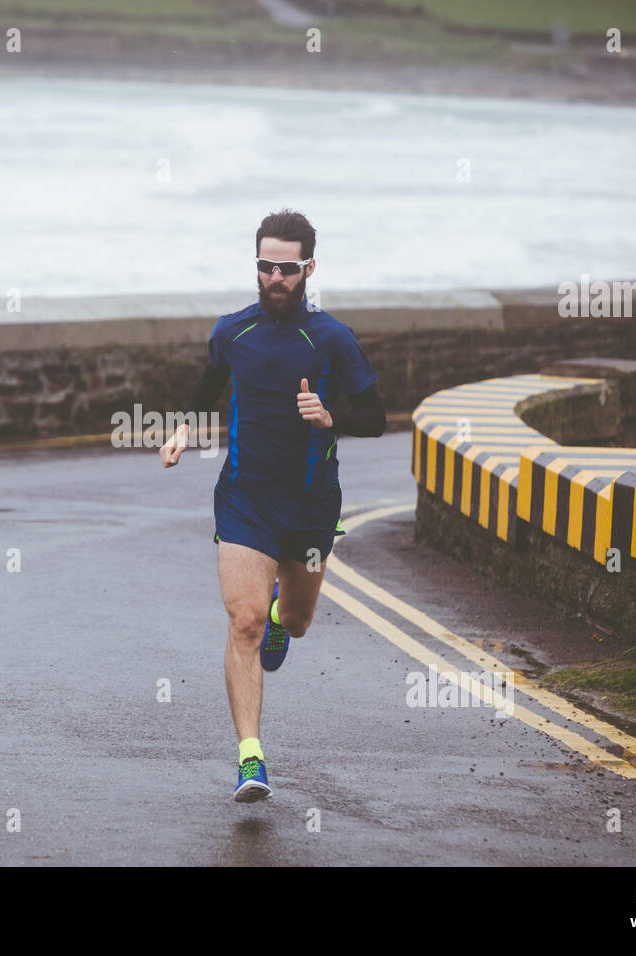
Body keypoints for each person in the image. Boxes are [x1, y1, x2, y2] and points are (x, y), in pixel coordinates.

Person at [159, 209, 386, 801]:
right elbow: (208, 386)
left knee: (298, 622)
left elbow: (379, 417)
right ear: (256, 266)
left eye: (286, 268)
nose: (275, 278)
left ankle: (286, 616)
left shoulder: (331, 337)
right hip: (244, 500)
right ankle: (251, 759)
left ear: (308, 268)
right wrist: (185, 428)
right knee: (245, 622)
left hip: (311, 508)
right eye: (266, 266)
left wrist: (333, 416)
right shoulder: (232, 331)